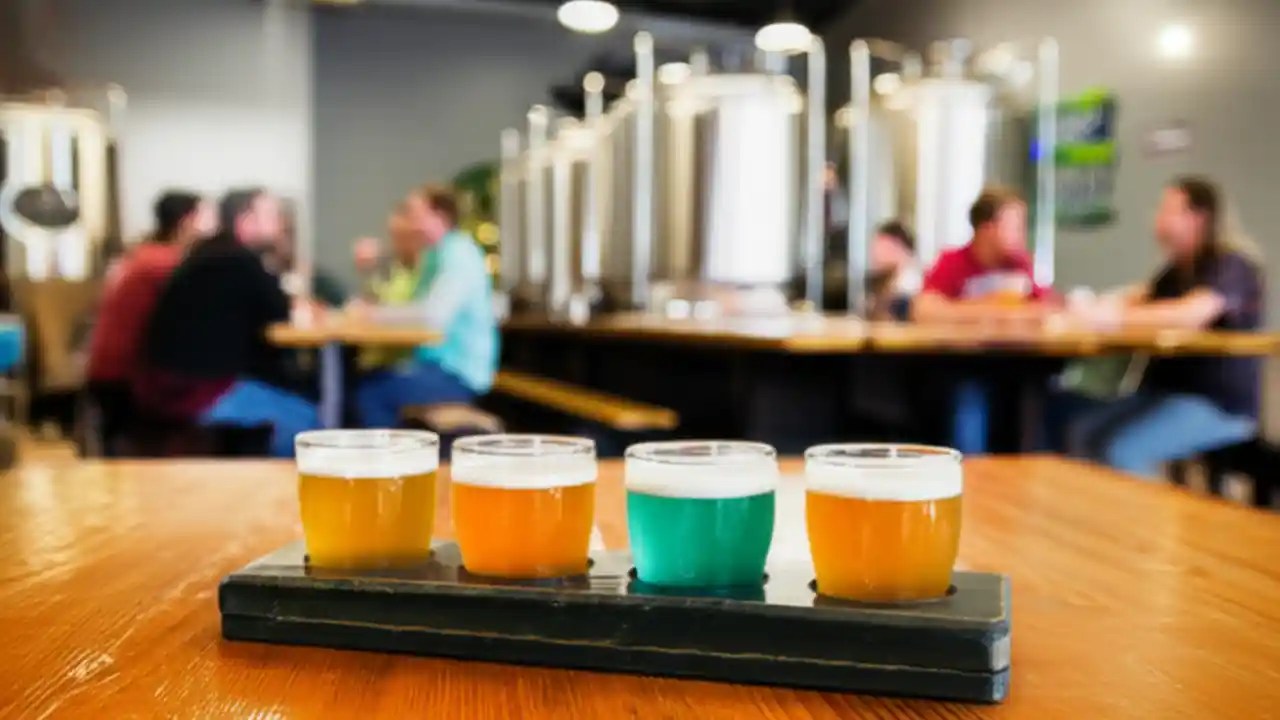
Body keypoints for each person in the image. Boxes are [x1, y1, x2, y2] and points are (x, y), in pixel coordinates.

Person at [1063, 177, 1264, 476]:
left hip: (1217, 404)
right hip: (1166, 393)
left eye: (1168, 210)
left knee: (1122, 451)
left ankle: (1142, 509)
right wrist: (1095, 305)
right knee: (1082, 432)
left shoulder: (1231, 265)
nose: (1157, 218)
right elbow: (1139, 297)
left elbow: (1192, 313)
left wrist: (1112, 318)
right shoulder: (1176, 271)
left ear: (1198, 218)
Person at [135, 188, 318, 457]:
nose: (281, 223)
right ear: (245, 221)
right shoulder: (238, 261)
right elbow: (279, 312)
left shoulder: (208, 255)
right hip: (199, 392)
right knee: (307, 421)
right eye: (271, 215)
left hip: (167, 385)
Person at [353, 185, 497, 428]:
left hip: (459, 374)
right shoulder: (435, 255)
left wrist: (373, 315)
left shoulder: (459, 253)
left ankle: (390, 452)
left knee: (373, 394)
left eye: (415, 215)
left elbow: (433, 315)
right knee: (369, 381)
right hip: (434, 366)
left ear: (439, 216)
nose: (409, 223)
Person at [86, 191, 214, 454]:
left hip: (105, 370)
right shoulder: (167, 264)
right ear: (187, 221)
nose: (214, 225)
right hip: (127, 376)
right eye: (206, 216)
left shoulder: (141, 254)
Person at [913, 187, 1057, 322]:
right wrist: (991, 307)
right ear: (986, 229)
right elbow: (923, 310)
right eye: (1015, 227)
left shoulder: (1020, 264)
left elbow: (1048, 308)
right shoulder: (952, 262)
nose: (1021, 236)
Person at [866, 221, 921, 321]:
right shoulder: (886, 280)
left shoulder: (911, 284)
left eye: (884, 247)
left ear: (902, 248)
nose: (875, 254)